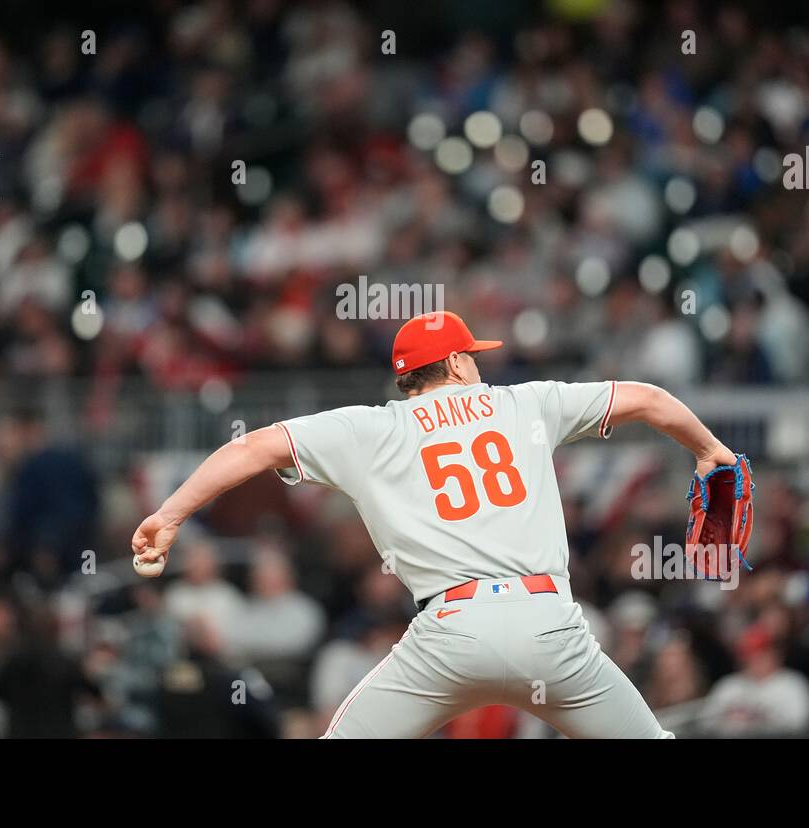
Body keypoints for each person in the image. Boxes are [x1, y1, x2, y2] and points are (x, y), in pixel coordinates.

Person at [133, 310, 740, 738]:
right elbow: (649, 400)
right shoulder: (523, 403)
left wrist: (169, 514)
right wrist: (710, 450)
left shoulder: (373, 429)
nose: (478, 364)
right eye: (472, 356)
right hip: (551, 629)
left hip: (451, 637)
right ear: (454, 362)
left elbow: (254, 448)